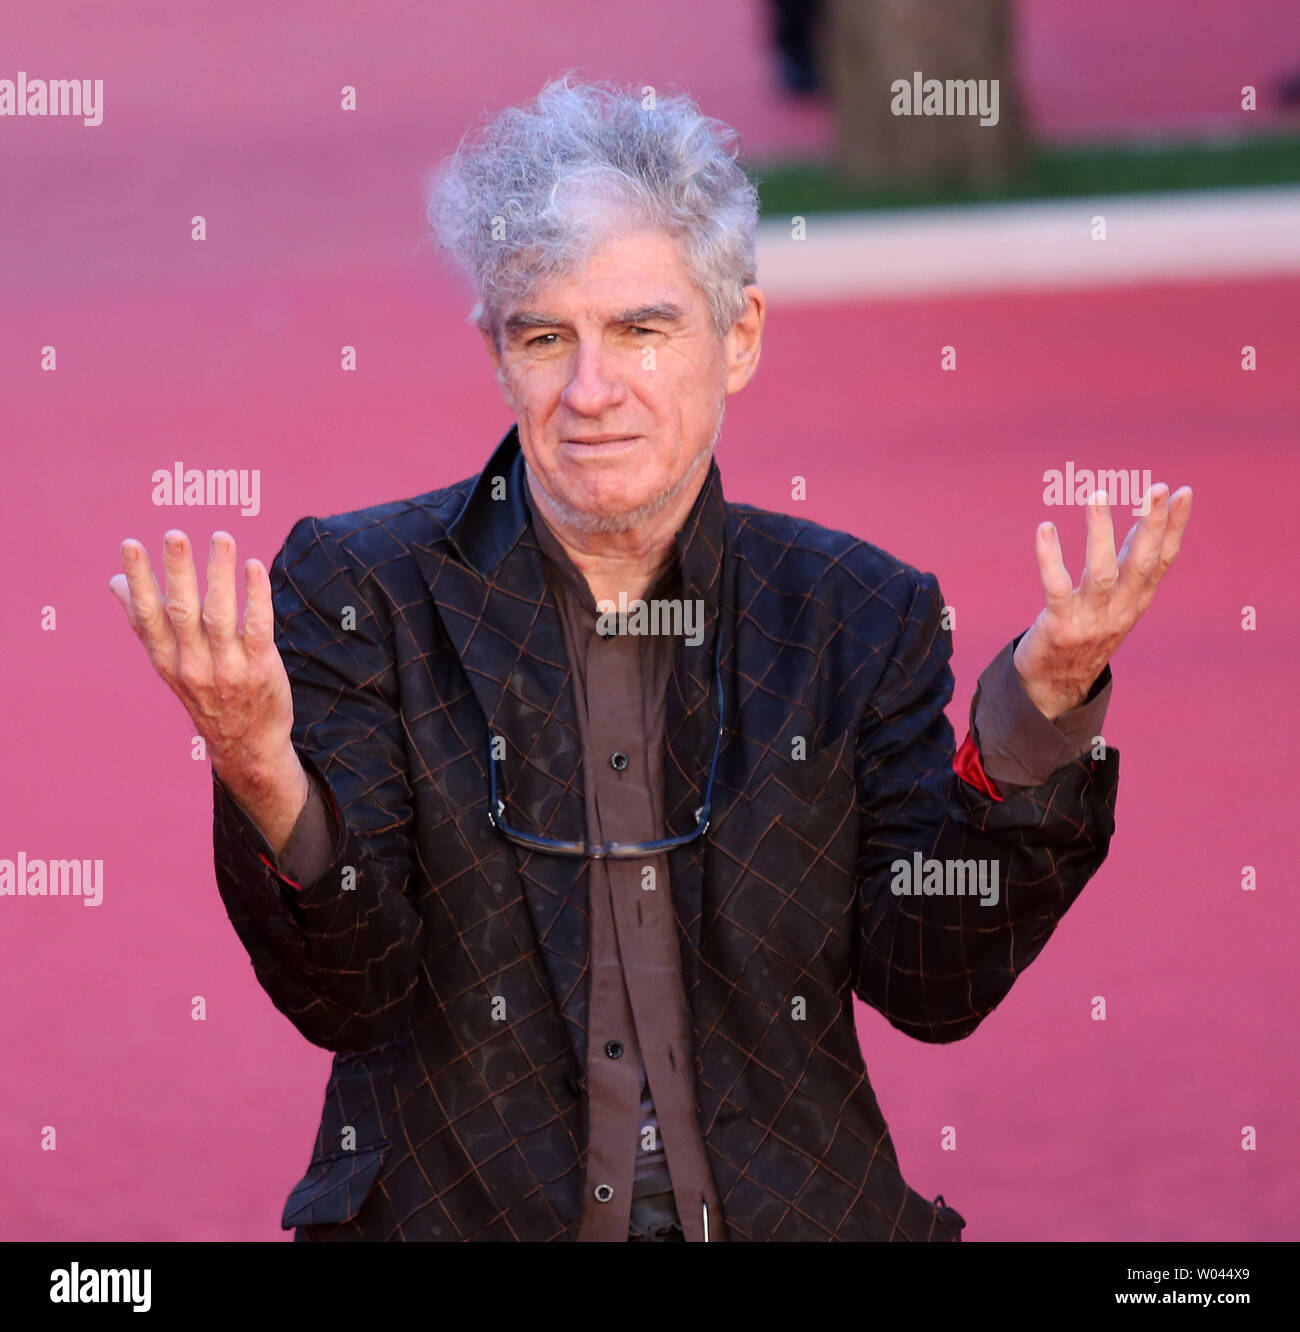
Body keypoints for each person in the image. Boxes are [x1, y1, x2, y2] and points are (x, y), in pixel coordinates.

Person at [109, 77, 1191, 1242]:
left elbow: (931, 983)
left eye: (640, 328)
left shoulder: (853, 612)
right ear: (494, 351)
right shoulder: (359, 589)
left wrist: (1033, 723)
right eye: (544, 336)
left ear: (739, 338)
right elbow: (350, 989)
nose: (590, 391)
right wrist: (256, 762)